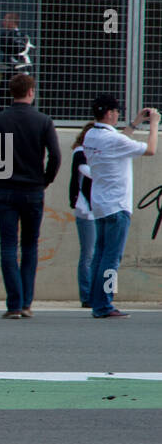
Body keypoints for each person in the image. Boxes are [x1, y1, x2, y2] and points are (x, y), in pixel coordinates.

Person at [0, 73, 61, 318]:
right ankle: (26, 302)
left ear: (11, 92)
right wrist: (45, 180)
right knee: (29, 247)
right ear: (31, 92)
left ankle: (14, 304)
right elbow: (56, 156)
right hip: (33, 191)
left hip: (6, 190)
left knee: (8, 246)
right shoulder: (43, 121)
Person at [81, 95, 158, 318]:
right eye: (116, 111)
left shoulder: (91, 135)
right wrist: (153, 125)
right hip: (117, 205)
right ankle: (104, 304)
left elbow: (119, 142)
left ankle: (97, 302)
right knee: (112, 258)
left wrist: (135, 124)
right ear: (109, 113)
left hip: (100, 205)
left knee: (100, 255)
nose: (117, 115)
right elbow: (150, 149)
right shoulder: (113, 140)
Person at [68, 121, 97, 309]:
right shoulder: (80, 153)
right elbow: (87, 172)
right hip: (87, 210)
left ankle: (104, 293)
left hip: (103, 209)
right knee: (89, 254)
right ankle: (87, 296)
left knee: (106, 255)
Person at [0, 12, 34, 115]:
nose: (3, 22)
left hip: (9, 70)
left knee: (5, 93)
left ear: (12, 22)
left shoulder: (6, 35)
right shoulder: (25, 36)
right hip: (22, 70)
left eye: (5, 20)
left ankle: (5, 113)